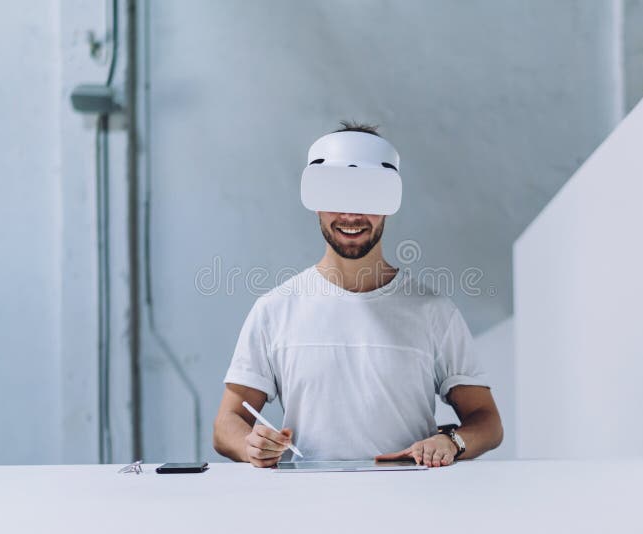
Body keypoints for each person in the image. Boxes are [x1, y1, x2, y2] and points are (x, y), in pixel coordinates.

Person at [213, 121, 502, 468]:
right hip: (308, 507)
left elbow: (487, 420)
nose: (351, 214)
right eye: (335, 196)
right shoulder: (274, 310)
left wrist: (452, 441)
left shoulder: (433, 312)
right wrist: (251, 445)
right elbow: (226, 423)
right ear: (316, 202)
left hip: (412, 506)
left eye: (367, 197)